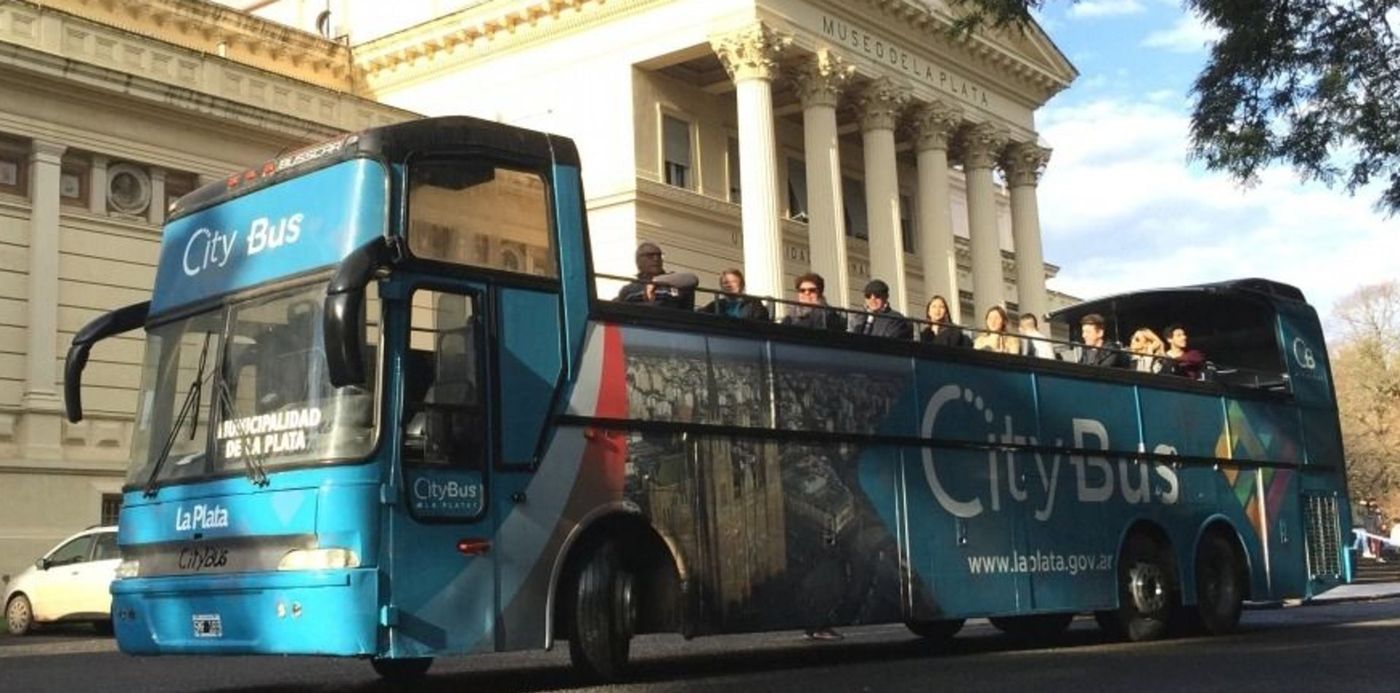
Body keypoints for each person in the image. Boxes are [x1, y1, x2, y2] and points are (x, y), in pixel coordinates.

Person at [615, 242, 698, 310]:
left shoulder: (675, 281)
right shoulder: (629, 290)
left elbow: (692, 279)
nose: (656, 259)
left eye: (659, 255)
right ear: (638, 261)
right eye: (650, 255)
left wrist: (655, 281)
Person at [847, 279, 913, 339]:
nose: (872, 300)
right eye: (868, 296)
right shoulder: (857, 318)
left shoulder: (895, 319)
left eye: (877, 296)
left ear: (886, 297)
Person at [781, 273, 845, 332]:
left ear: (820, 293)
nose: (807, 293)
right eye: (802, 290)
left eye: (812, 290)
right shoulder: (790, 316)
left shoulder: (828, 314)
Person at [698, 268, 770, 321]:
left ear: (742, 284)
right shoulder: (715, 305)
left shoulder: (754, 304)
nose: (729, 285)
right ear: (721, 286)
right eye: (725, 283)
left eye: (733, 282)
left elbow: (762, 325)